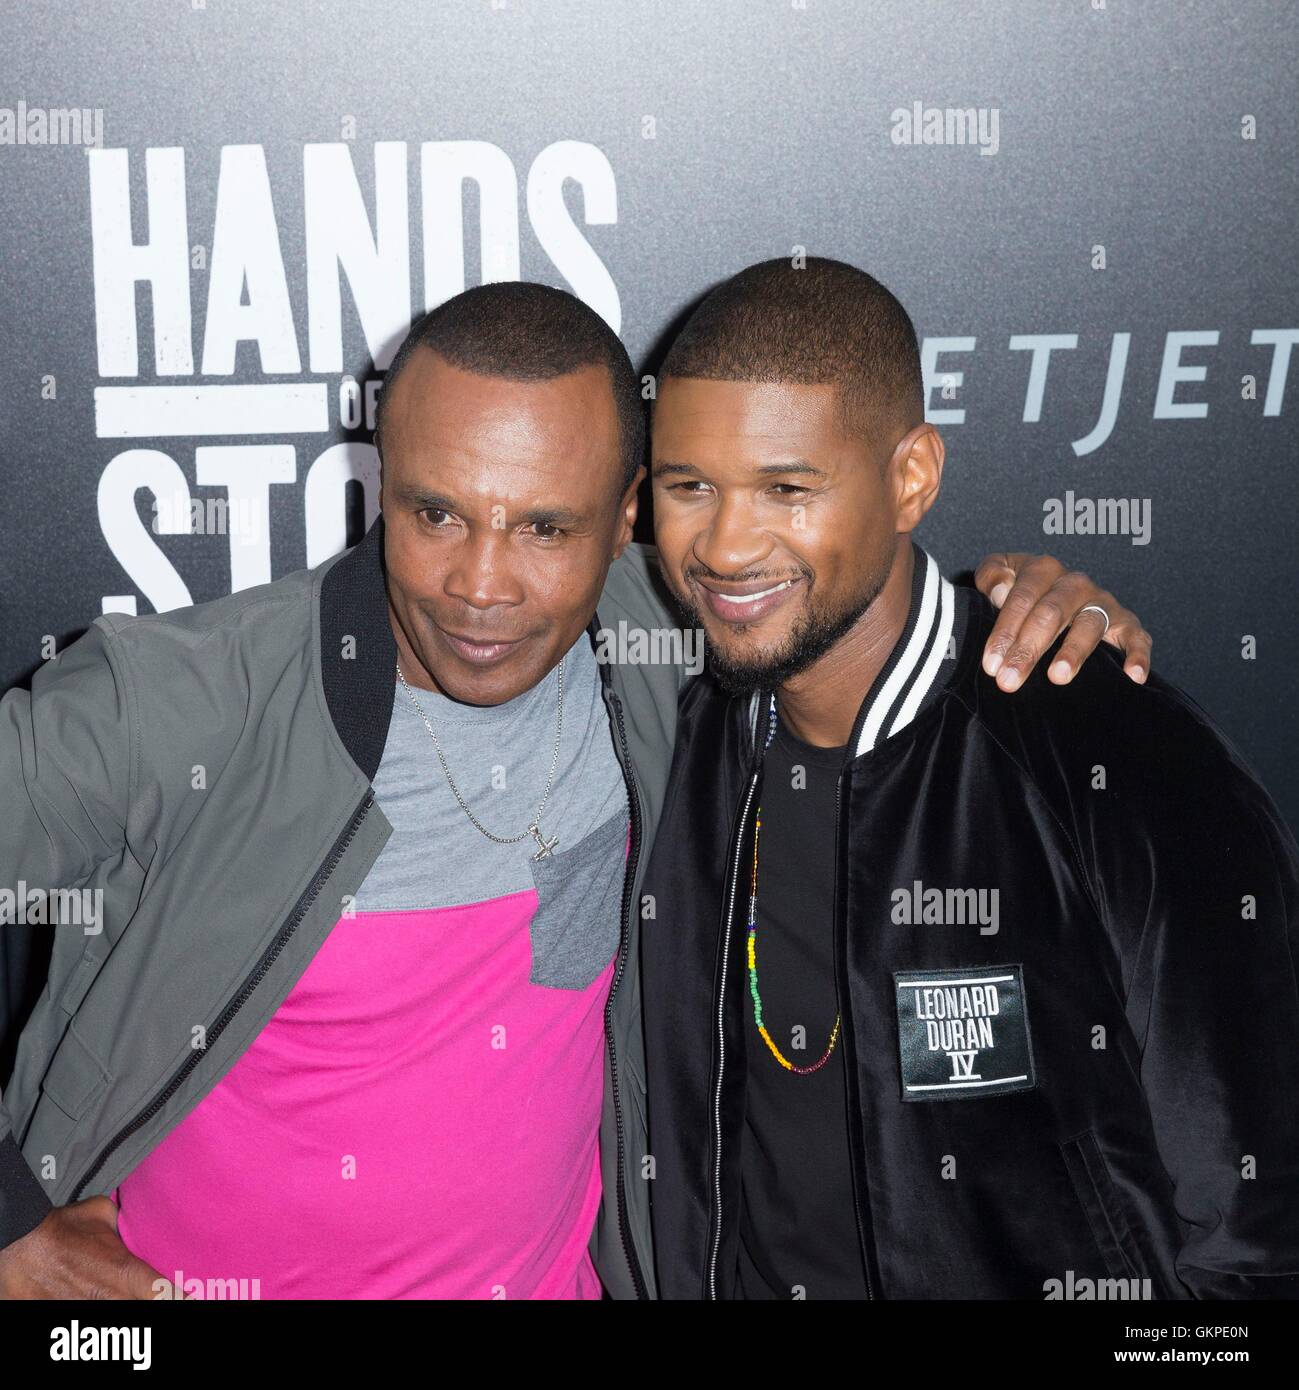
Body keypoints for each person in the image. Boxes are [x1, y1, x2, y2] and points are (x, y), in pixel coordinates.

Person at [0, 280, 1148, 1300]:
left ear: (632, 518)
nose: (479, 585)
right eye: (434, 511)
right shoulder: (180, 703)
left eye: (546, 527)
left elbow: (845, 596)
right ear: (379, 482)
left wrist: (1023, 615)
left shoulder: (669, 648)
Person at [639, 257, 1299, 1300]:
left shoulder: (1109, 752)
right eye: (689, 487)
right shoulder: (680, 755)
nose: (724, 544)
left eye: (787, 488)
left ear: (911, 478)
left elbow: (1262, 1246)